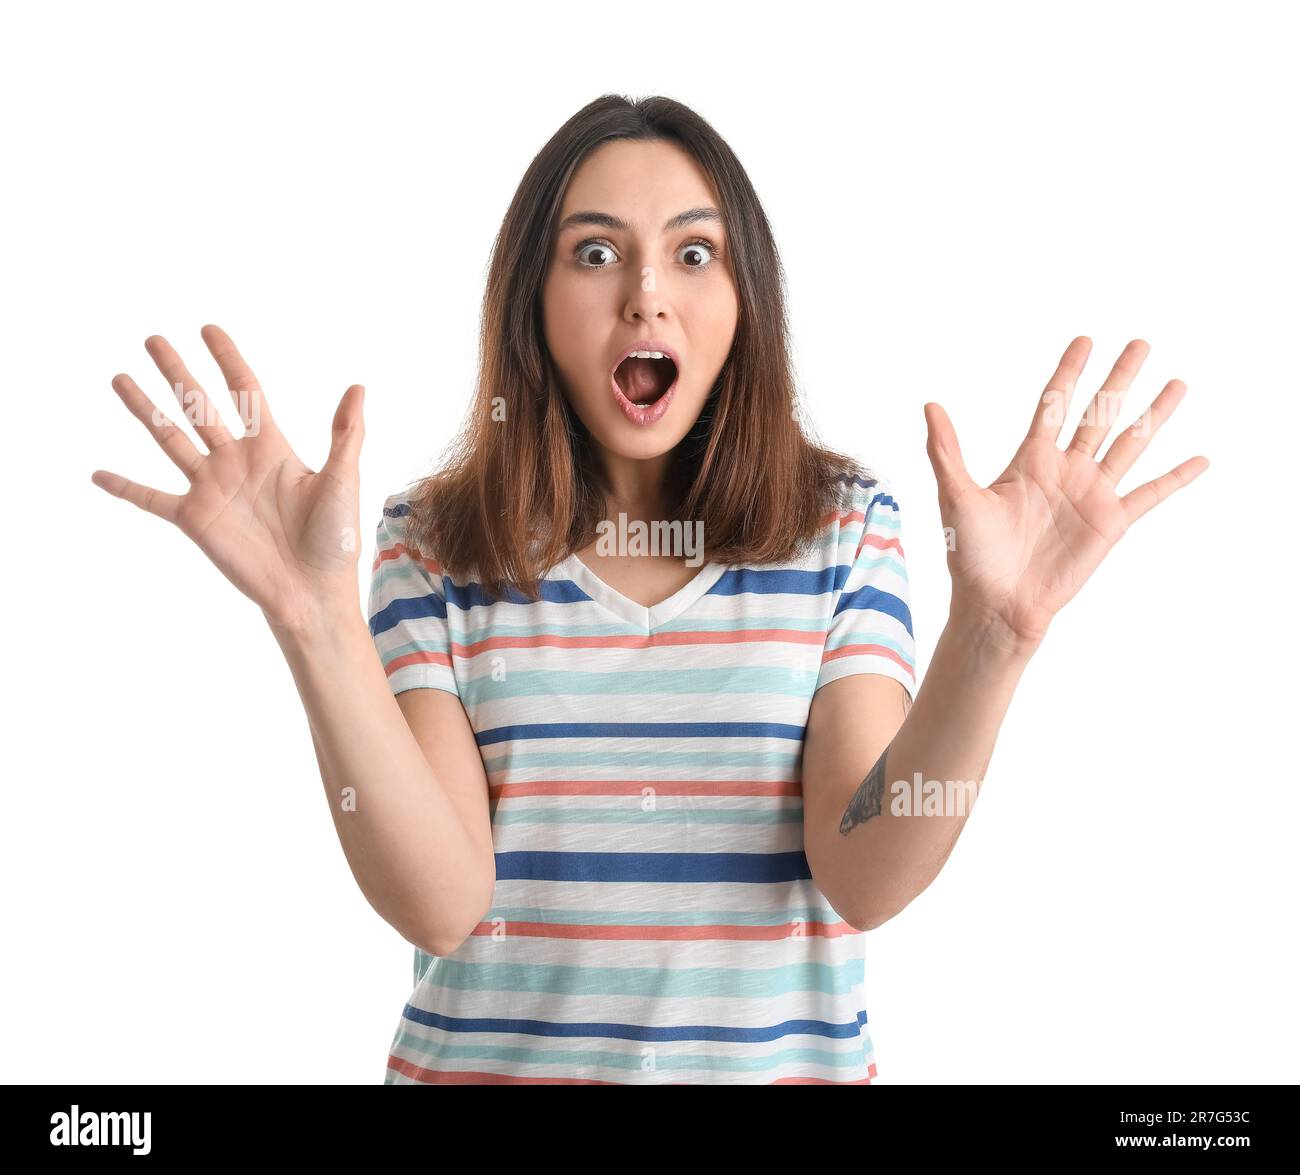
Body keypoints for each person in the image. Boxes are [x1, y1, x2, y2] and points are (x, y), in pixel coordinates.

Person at [91, 94, 1208, 1085]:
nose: (644, 298)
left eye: (691, 254)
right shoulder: (431, 547)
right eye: (592, 254)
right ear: (530, 298)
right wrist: (313, 617)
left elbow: (865, 868)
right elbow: (439, 900)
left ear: (743, 299)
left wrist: (996, 636)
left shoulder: (841, 530)